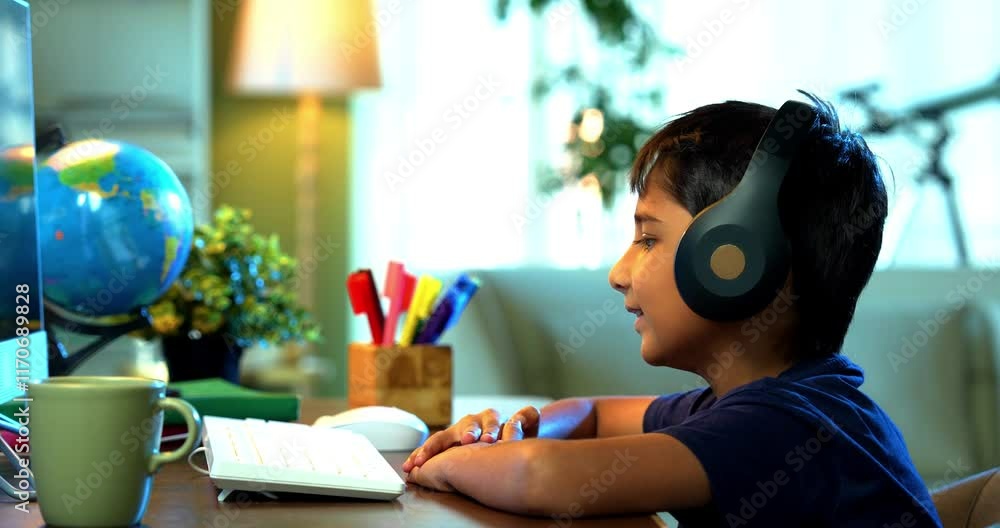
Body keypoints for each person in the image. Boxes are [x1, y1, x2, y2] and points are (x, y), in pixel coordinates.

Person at [402, 92, 943, 527]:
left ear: (734, 260)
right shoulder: (773, 401)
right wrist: (525, 428)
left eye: (647, 239)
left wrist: (450, 465)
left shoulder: (787, 429)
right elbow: (592, 414)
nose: (618, 273)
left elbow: (537, 478)